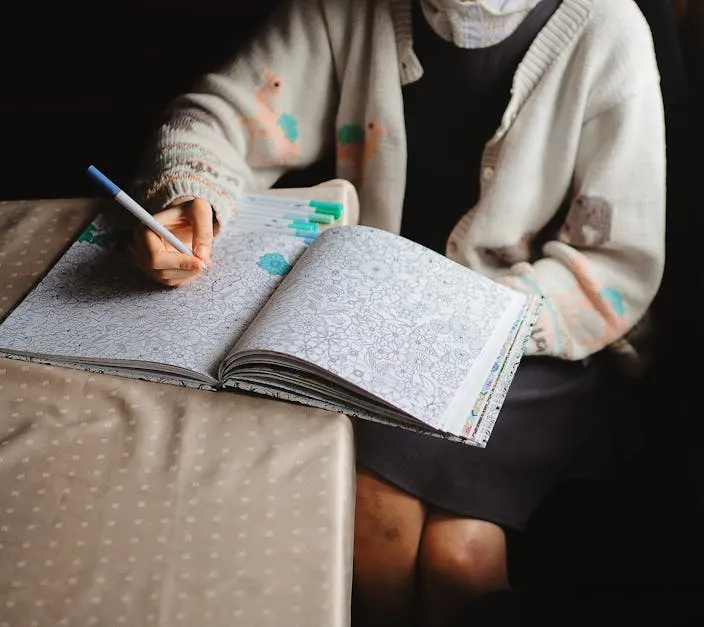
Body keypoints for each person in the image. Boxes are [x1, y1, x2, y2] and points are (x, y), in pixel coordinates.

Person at [130, 0, 666, 625]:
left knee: (460, 560)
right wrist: (192, 194)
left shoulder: (607, 28)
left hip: (534, 343)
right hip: (377, 340)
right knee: (376, 528)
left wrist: (458, 316)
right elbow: (215, 119)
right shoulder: (350, 14)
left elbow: (614, 271)